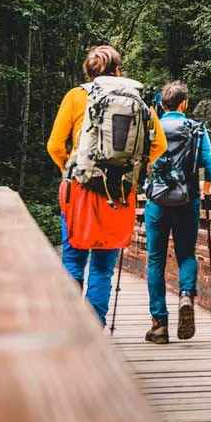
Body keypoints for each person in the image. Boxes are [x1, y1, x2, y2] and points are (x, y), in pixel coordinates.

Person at [48, 46, 164, 318]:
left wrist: (70, 168)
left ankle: (69, 323)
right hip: (120, 193)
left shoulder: (77, 96)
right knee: (102, 267)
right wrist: (134, 170)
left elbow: (54, 145)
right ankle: (95, 331)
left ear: (88, 73)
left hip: (79, 189)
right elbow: (159, 144)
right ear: (119, 71)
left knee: (73, 259)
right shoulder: (137, 100)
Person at [145, 80, 211, 344]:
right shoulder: (196, 129)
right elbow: (210, 166)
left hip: (158, 202)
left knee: (156, 260)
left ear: (162, 104)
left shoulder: (152, 128)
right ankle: (186, 295)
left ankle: (159, 326)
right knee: (186, 254)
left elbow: (141, 162)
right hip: (188, 200)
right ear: (184, 104)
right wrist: (207, 189)